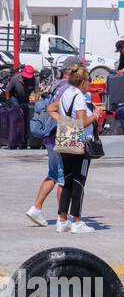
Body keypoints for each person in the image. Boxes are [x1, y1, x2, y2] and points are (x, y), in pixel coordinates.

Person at [25, 58, 76, 226]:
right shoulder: (68, 87)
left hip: (48, 135)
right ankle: (64, 216)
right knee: (64, 176)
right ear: (73, 70)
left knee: (54, 173)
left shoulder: (55, 84)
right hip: (61, 133)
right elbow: (67, 112)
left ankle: (36, 208)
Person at [54, 66, 103, 234]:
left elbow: (53, 110)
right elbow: (82, 123)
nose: (90, 83)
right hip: (79, 142)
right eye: (89, 80)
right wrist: (96, 114)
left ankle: (62, 219)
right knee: (79, 181)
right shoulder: (79, 97)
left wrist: (63, 122)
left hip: (66, 138)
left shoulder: (65, 94)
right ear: (82, 82)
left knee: (67, 180)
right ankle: (77, 220)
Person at [4, 63, 35, 147]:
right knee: (18, 113)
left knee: (26, 117)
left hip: (25, 99)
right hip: (15, 98)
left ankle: (24, 141)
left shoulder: (33, 80)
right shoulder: (15, 79)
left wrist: (35, 100)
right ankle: (15, 139)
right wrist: (8, 100)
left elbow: (36, 92)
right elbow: (7, 91)